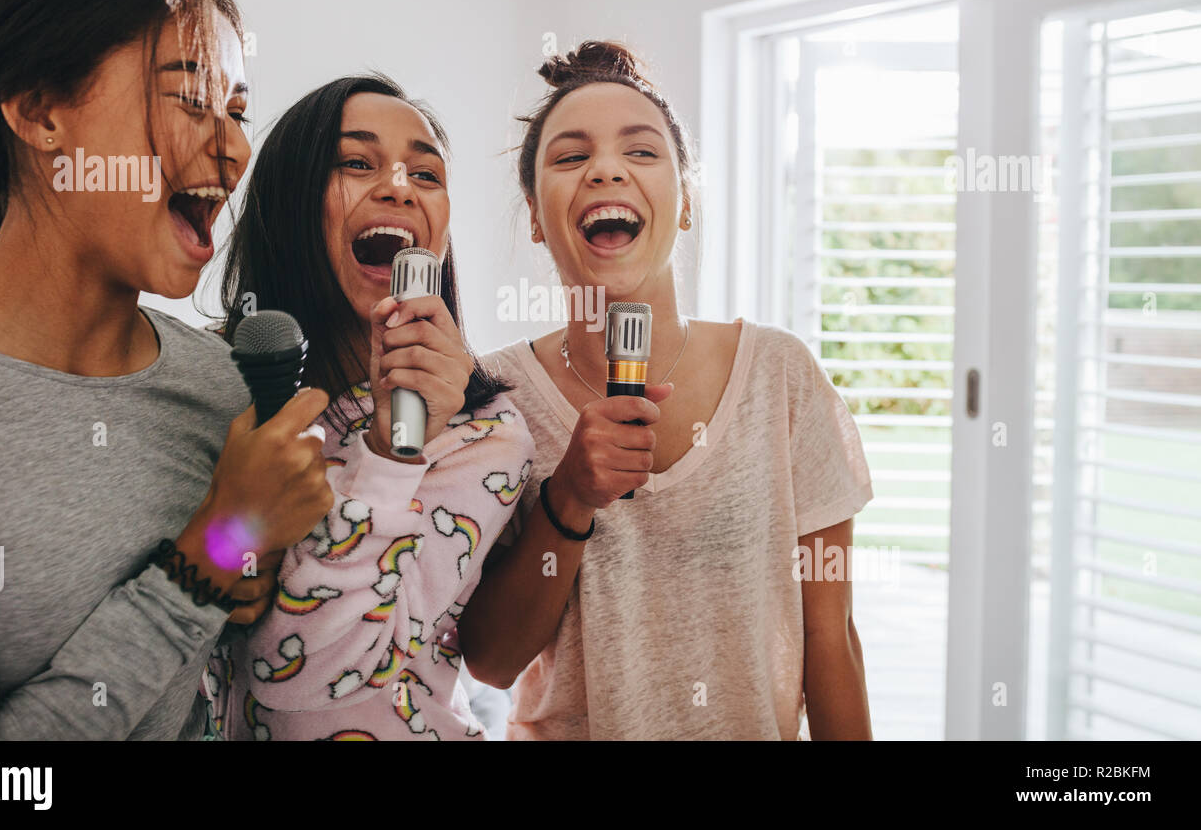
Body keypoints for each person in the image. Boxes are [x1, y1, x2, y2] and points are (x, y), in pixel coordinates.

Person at [0, 0, 334, 740]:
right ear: (39, 112)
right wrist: (208, 554)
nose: (234, 148)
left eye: (238, 111)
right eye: (193, 100)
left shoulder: (224, 390)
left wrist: (252, 562)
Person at [460, 41, 875, 740]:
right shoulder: (494, 396)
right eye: (569, 157)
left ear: (685, 201)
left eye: (642, 152)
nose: (607, 170)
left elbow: (831, 642)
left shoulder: (781, 376)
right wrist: (567, 498)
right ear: (535, 215)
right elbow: (492, 663)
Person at [204, 74, 535, 740]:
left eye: (426, 173)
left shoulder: (484, 437)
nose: (398, 187)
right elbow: (207, 578)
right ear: (291, 203)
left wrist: (393, 446)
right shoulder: (215, 390)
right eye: (356, 163)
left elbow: (308, 675)